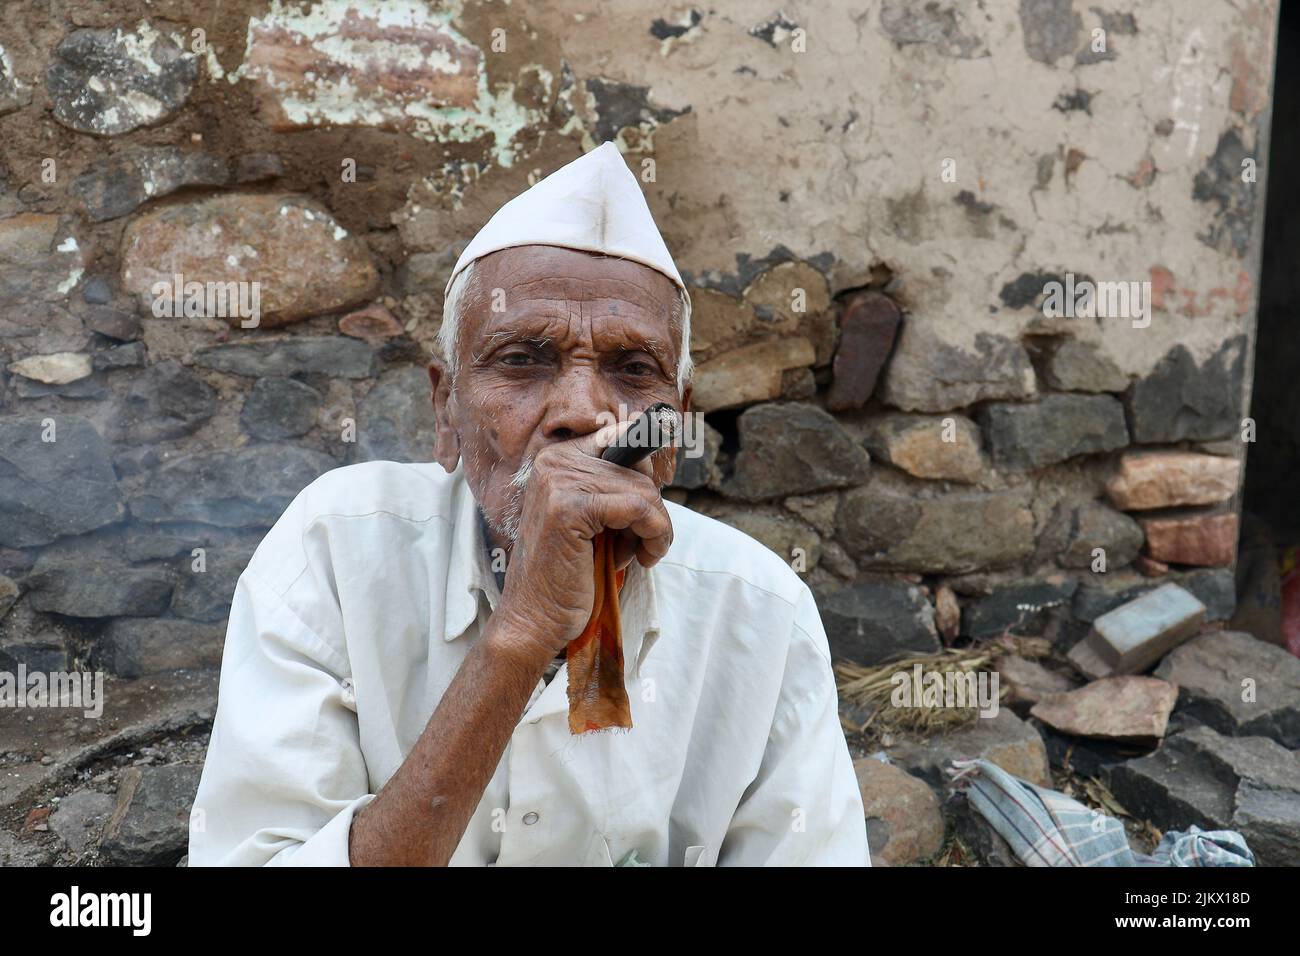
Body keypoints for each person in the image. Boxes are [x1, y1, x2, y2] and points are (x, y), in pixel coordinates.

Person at [188, 141, 869, 866]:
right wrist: (522, 635)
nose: (580, 412)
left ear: (676, 425)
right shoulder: (335, 550)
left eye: (633, 370)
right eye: (522, 360)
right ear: (446, 409)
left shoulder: (761, 610)